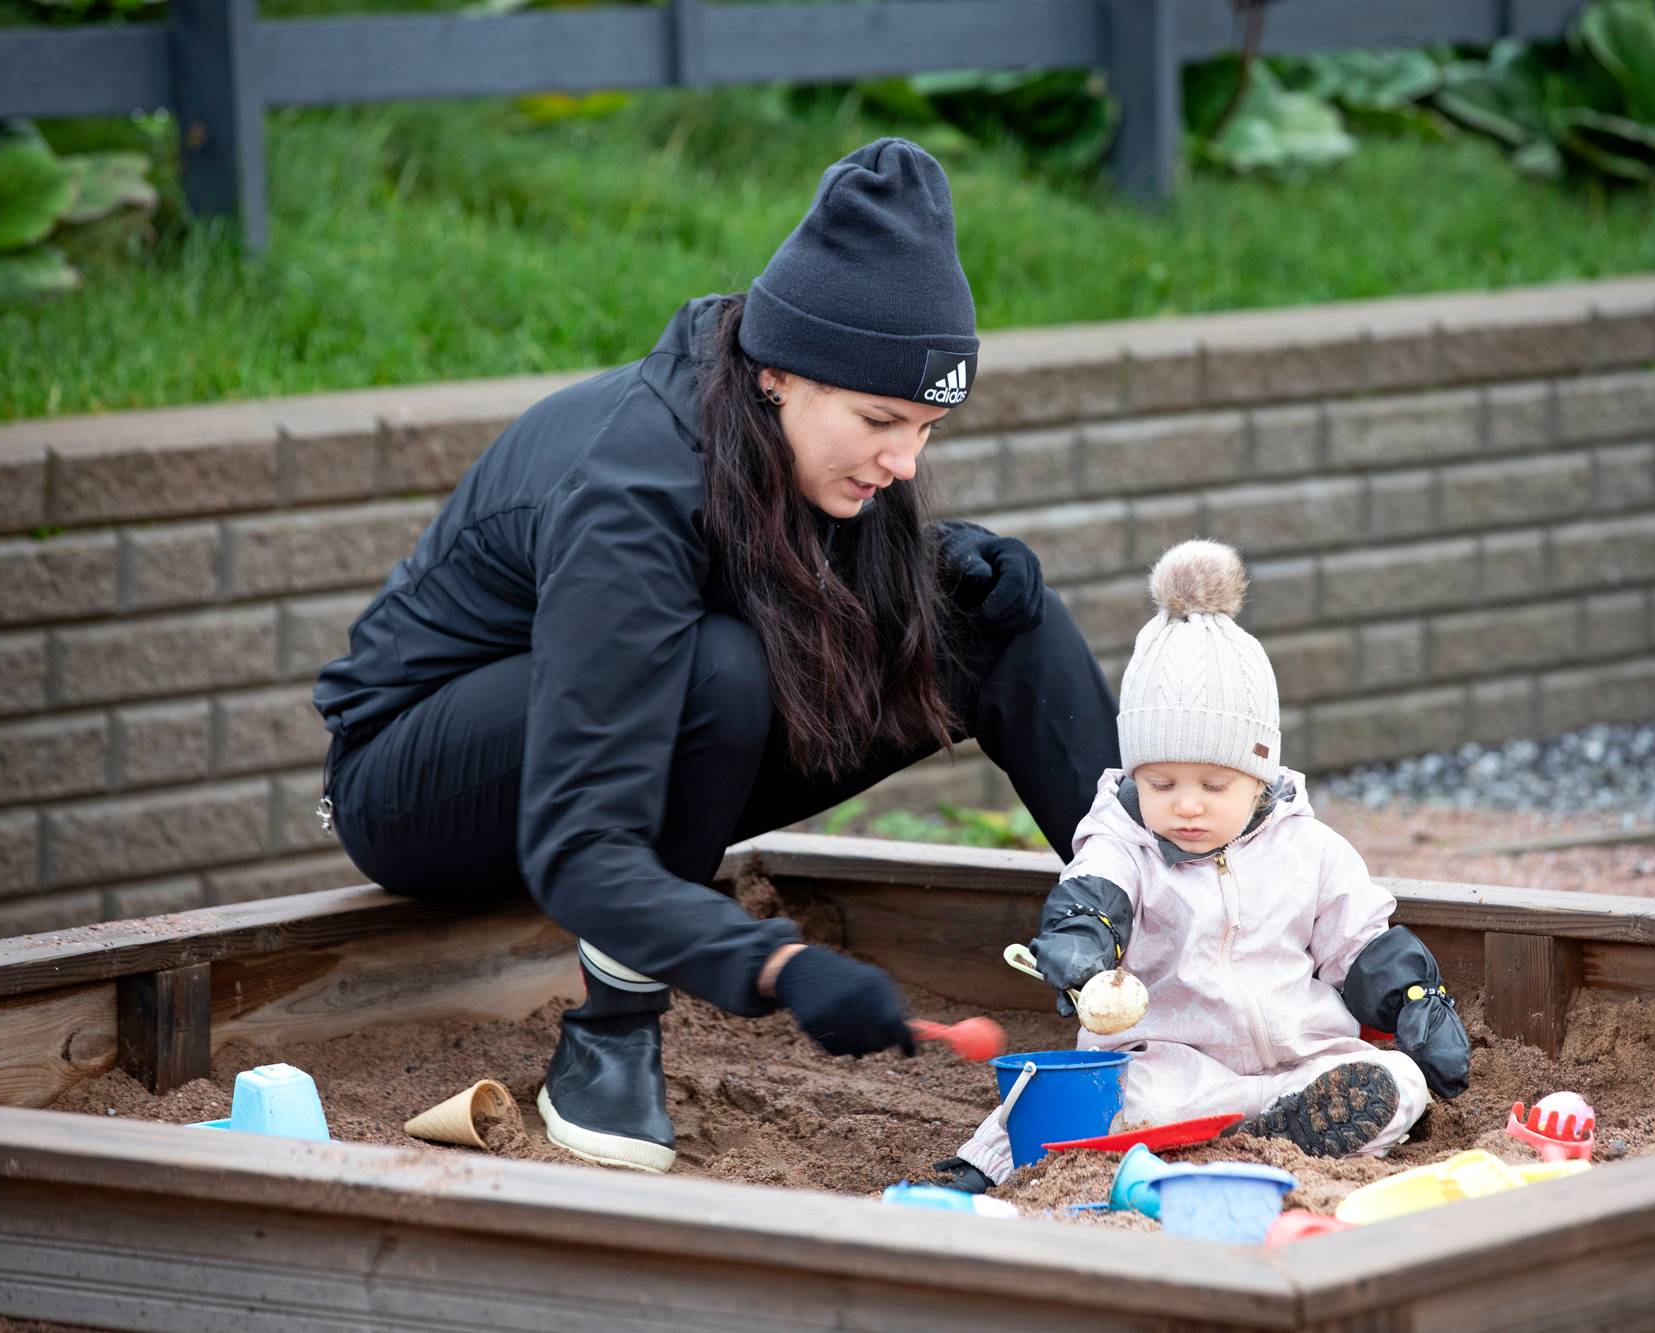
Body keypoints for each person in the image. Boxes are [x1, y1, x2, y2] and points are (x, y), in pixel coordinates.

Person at [311, 138, 1119, 1174]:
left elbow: (773, 560)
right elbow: (579, 836)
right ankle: (610, 1033)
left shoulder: (792, 426)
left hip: (636, 718)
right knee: (719, 668)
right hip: (422, 787)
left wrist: (938, 564)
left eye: (925, 427)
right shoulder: (629, 494)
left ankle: (1184, 947)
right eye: (880, 421)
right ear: (778, 373)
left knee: (1005, 619)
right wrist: (777, 962)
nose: (904, 459)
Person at [937, 540, 1470, 1190]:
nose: (1186, 805)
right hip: (1176, 1065)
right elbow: (1094, 889)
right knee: (1108, 1099)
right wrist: (1080, 936)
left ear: (1260, 776)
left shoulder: (1309, 847)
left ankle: (1275, 1128)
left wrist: (1417, 1000)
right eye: (1161, 783)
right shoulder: (1125, 842)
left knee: (1398, 1082)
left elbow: (1360, 940)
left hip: (1301, 1055)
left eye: (1213, 786)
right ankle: (1001, 1155)